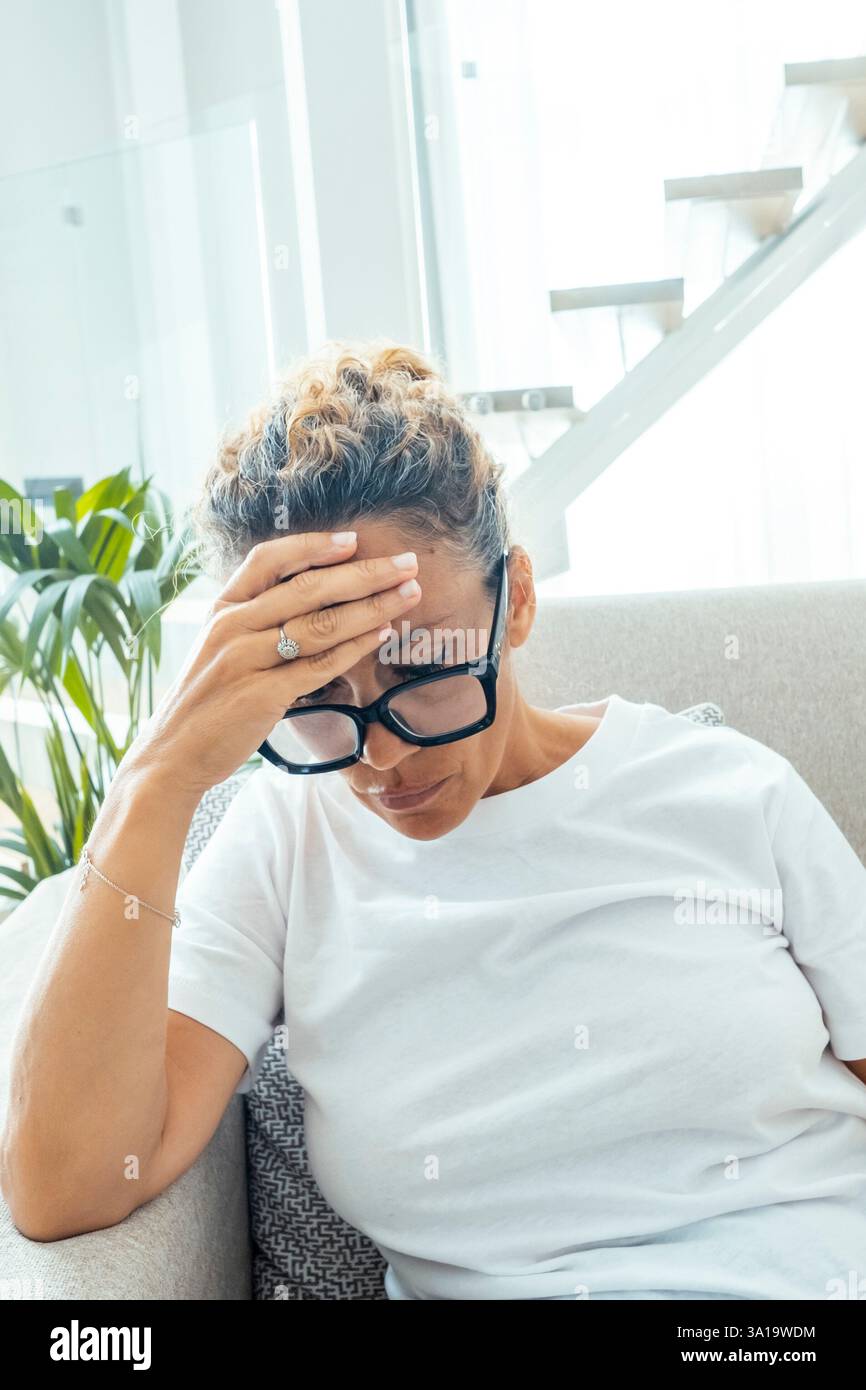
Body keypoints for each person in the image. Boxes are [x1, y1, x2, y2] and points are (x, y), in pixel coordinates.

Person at [4, 340, 866, 1302]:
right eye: (319, 697)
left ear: (520, 600)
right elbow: (66, 1188)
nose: (383, 758)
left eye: (422, 674)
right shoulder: (284, 844)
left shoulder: (726, 792)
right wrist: (158, 780)